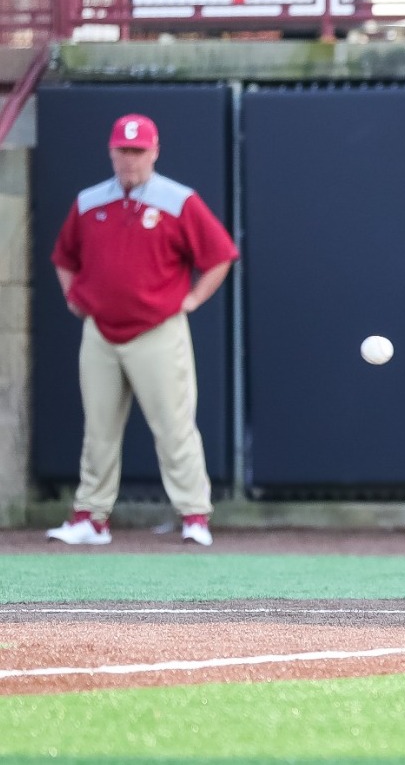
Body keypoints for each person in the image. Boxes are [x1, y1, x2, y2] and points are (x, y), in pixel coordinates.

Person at [46, 115, 238, 548]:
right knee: (98, 429)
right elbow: (64, 257)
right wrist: (74, 297)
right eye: (123, 151)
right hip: (100, 331)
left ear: (154, 152)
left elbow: (220, 255)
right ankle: (91, 518)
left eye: (138, 151)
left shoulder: (179, 200)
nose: (129, 160)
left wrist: (191, 300)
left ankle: (194, 516)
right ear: (111, 152)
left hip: (157, 330)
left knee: (174, 426)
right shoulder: (90, 201)